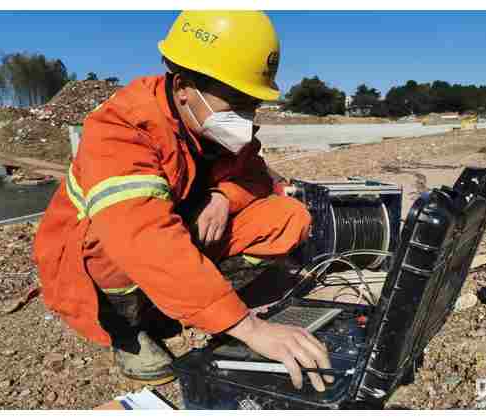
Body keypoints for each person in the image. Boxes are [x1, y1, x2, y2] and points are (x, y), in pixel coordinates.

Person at [33, 10, 333, 393]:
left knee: (285, 217)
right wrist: (249, 329)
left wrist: (224, 196)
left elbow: (255, 176)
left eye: (252, 105)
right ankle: (128, 329)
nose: (246, 118)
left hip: (175, 240)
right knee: (108, 245)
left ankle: (192, 305)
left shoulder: (212, 127)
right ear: (183, 87)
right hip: (95, 259)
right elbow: (144, 238)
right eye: (235, 104)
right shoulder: (122, 128)